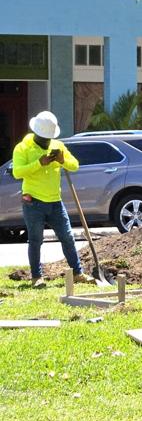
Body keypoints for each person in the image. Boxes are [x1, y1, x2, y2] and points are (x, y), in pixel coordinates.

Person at [12, 111, 90, 289]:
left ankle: (77, 273)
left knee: (67, 237)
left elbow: (75, 165)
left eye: (49, 138)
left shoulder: (57, 145)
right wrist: (39, 163)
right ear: (36, 133)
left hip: (55, 202)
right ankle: (36, 277)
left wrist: (62, 160)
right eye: (43, 138)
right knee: (35, 240)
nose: (47, 142)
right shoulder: (22, 148)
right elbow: (17, 172)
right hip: (33, 201)